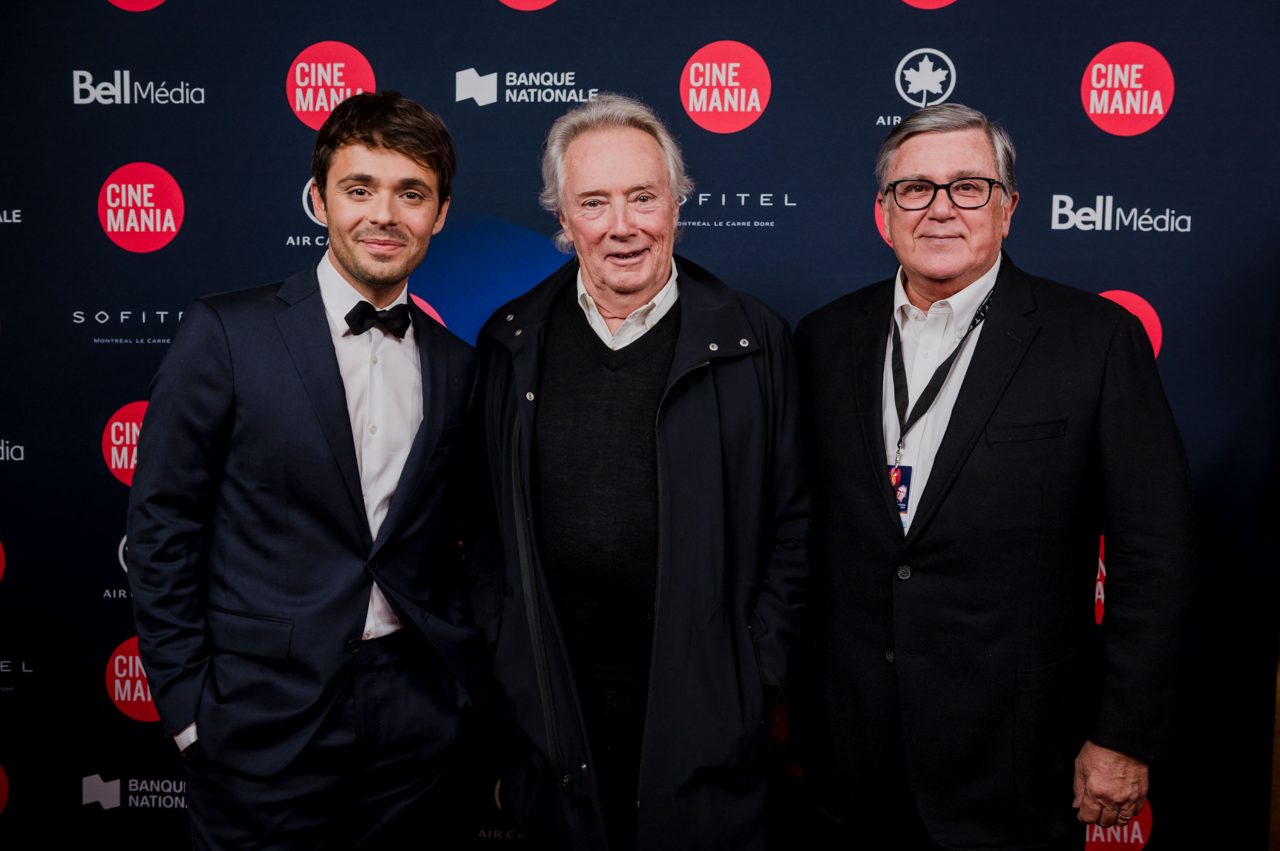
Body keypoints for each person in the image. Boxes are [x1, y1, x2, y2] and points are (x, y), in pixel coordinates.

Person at [794, 103, 1193, 850]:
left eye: (968, 187)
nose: (940, 208)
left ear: (1008, 208)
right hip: (847, 760)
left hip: (1015, 763)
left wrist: (1123, 735)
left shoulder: (1096, 340)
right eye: (914, 188)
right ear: (884, 214)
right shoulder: (823, 339)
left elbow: (1155, 555)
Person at [127, 91, 480, 849]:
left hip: (415, 729)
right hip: (260, 721)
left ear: (440, 213)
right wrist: (189, 712)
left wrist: (456, 695)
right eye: (360, 189)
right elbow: (160, 526)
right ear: (319, 200)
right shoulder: (227, 332)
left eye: (410, 193)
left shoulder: (461, 366)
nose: (384, 214)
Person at [472, 93, 807, 850]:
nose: (623, 226)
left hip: (709, 726)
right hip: (555, 720)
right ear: (563, 218)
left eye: (643, 198)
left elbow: (796, 524)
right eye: (594, 201)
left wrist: (750, 680)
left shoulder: (756, 340)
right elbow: (484, 535)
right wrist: (513, 665)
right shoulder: (510, 342)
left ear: (677, 204)